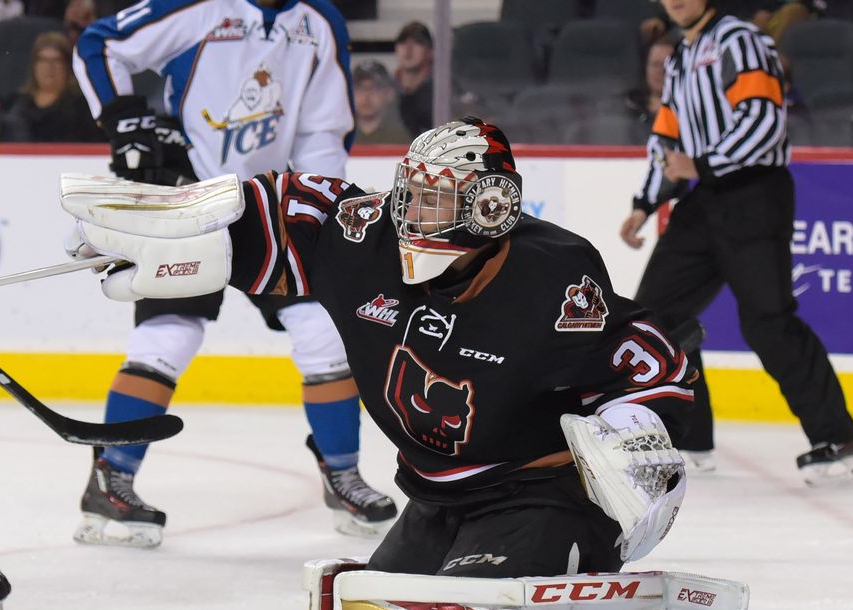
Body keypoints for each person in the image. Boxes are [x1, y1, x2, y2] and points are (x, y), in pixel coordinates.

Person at [65, 117, 698, 577]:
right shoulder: (367, 238)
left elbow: (650, 360)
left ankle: (581, 544)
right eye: (410, 194)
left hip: (534, 495)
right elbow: (290, 212)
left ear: (490, 208)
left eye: (435, 200)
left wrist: (634, 435)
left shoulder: (551, 277)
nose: (409, 215)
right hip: (435, 496)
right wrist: (184, 230)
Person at [71, 0, 396, 548]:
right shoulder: (197, 8)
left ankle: (342, 474)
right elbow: (98, 44)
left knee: (323, 330)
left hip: (273, 208)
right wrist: (124, 118)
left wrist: (321, 203)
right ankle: (112, 478)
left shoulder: (320, 22)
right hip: (190, 199)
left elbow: (324, 127)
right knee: (168, 334)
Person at [618, 0, 853, 485]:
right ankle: (689, 439)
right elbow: (666, 136)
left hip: (755, 193)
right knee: (655, 319)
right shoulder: (679, 58)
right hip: (706, 198)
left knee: (767, 322)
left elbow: (763, 119)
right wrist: (644, 203)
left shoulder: (741, 40)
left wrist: (701, 164)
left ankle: (836, 441)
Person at [0, 32, 103, 143]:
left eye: (56, 61)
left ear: (67, 65)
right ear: (34, 65)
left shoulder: (82, 107)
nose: (49, 67)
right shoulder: (15, 102)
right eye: (42, 60)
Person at [352, 60, 411, 145]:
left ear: (389, 94)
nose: (366, 95)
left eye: (375, 88)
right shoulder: (342, 137)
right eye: (360, 88)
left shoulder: (400, 139)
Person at [393, 20, 433, 137]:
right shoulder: (385, 89)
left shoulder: (442, 93)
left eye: (417, 43)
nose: (408, 49)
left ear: (431, 51)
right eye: (403, 42)